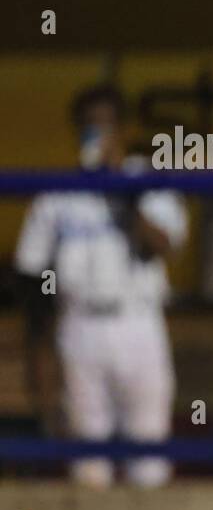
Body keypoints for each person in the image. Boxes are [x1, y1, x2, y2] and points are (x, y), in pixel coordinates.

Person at [13, 86, 188, 489]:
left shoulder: (149, 182)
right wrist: (38, 350)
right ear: (77, 130)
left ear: (122, 129)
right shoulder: (57, 194)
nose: (97, 132)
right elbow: (31, 277)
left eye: (105, 123)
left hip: (139, 323)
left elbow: (159, 246)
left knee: (150, 461)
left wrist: (121, 191)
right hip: (80, 327)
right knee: (89, 467)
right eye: (89, 124)